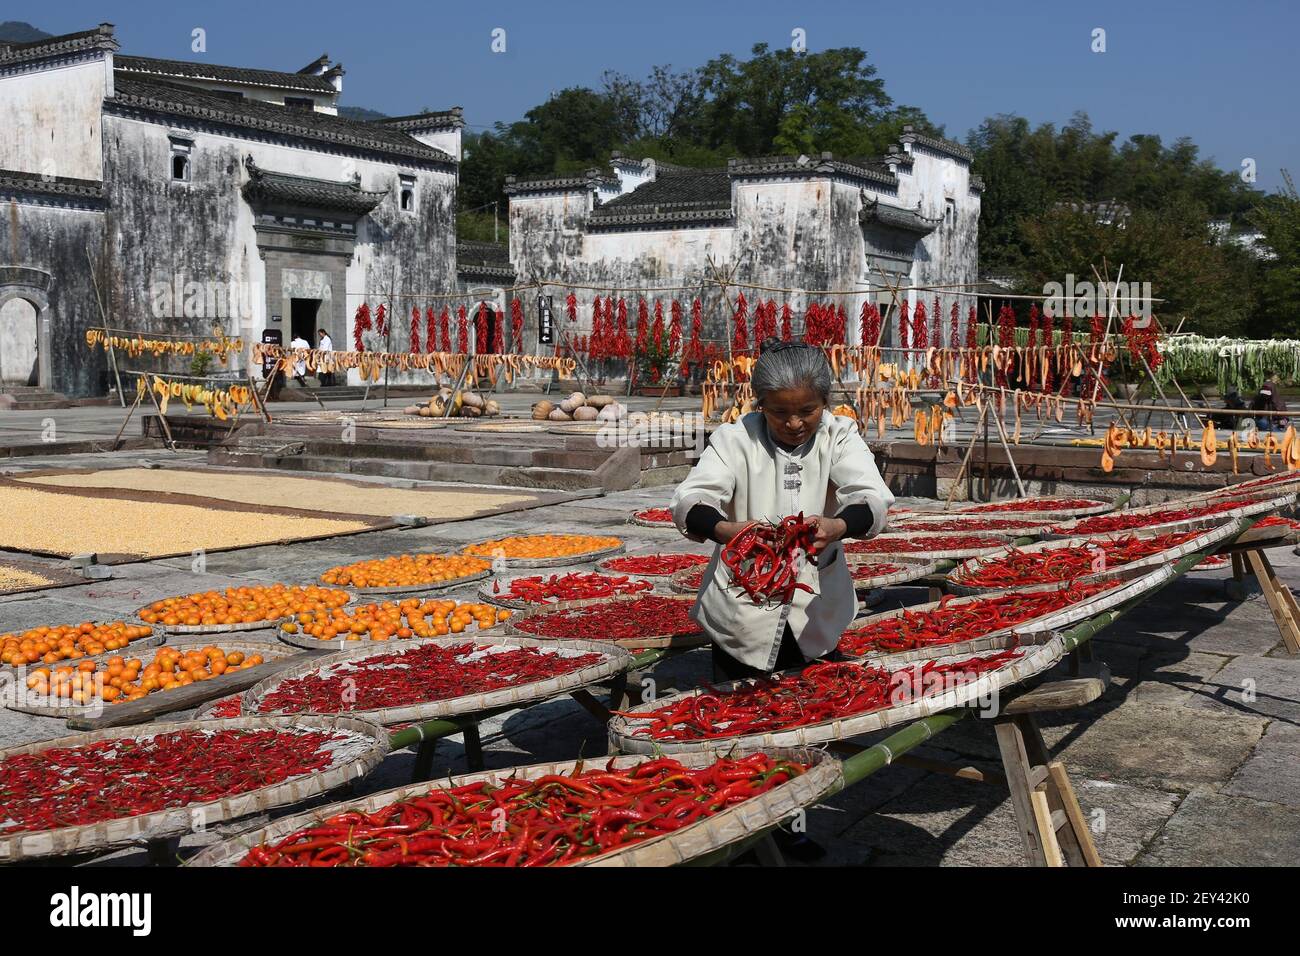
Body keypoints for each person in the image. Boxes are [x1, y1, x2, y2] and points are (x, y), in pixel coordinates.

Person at [670, 338, 895, 683]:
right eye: (779, 412)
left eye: (808, 411)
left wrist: (836, 527)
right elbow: (692, 499)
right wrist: (726, 531)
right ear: (760, 405)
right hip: (742, 611)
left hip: (817, 613)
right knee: (740, 717)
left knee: (814, 706)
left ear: (825, 402)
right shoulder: (735, 439)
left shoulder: (838, 435)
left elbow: (871, 496)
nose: (794, 424)